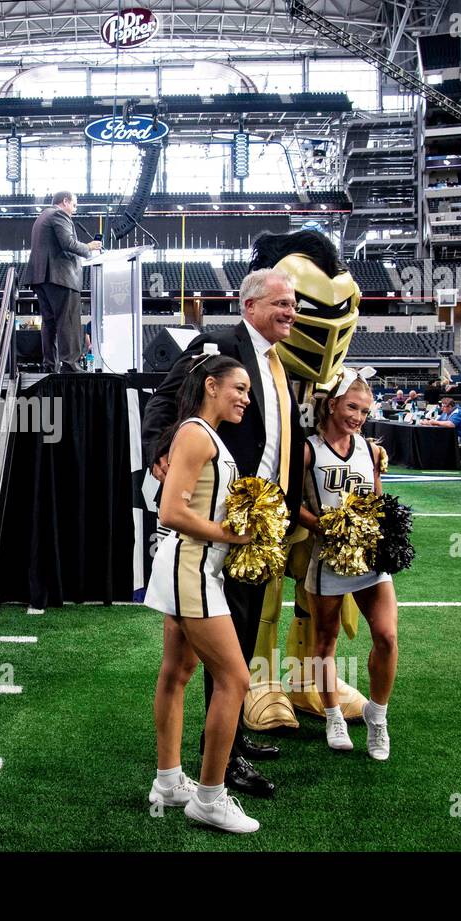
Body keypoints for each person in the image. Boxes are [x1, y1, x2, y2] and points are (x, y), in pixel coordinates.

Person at [142, 267, 304, 798]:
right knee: (223, 656)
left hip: (257, 526)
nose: (291, 311)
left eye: (295, 303)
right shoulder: (219, 345)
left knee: (223, 643)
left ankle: (216, 753)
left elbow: (282, 439)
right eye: (281, 302)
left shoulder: (281, 365)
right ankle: (221, 772)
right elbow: (165, 398)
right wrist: (160, 452)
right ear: (250, 305)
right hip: (216, 535)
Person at [145, 351, 260, 834]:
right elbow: (170, 511)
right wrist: (231, 534)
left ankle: (169, 782)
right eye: (239, 389)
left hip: (189, 565)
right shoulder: (194, 433)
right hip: (192, 566)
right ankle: (210, 798)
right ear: (211, 385)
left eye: (250, 393)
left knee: (178, 671)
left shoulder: (203, 434)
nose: (246, 400)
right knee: (235, 681)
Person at [297, 370, 399, 760]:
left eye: (365, 411)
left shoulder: (370, 451)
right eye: (352, 407)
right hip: (327, 558)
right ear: (333, 403)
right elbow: (291, 505)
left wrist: (375, 528)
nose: (358, 416)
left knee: (387, 637)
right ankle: (333, 714)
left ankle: (378, 716)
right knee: (325, 641)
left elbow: (377, 500)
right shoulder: (309, 450)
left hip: (368, 556)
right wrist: (324, 525)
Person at [23, 191, 102, 373]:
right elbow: (68, 243)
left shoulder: (43, 216)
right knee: (68, 322)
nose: (74, 210)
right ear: (65, 201)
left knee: (49, 323)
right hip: (60, 277)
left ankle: (50, 366)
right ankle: (70, 365)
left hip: (42, 278)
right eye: (74, 205)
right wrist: (89, 247)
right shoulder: (59, 214)